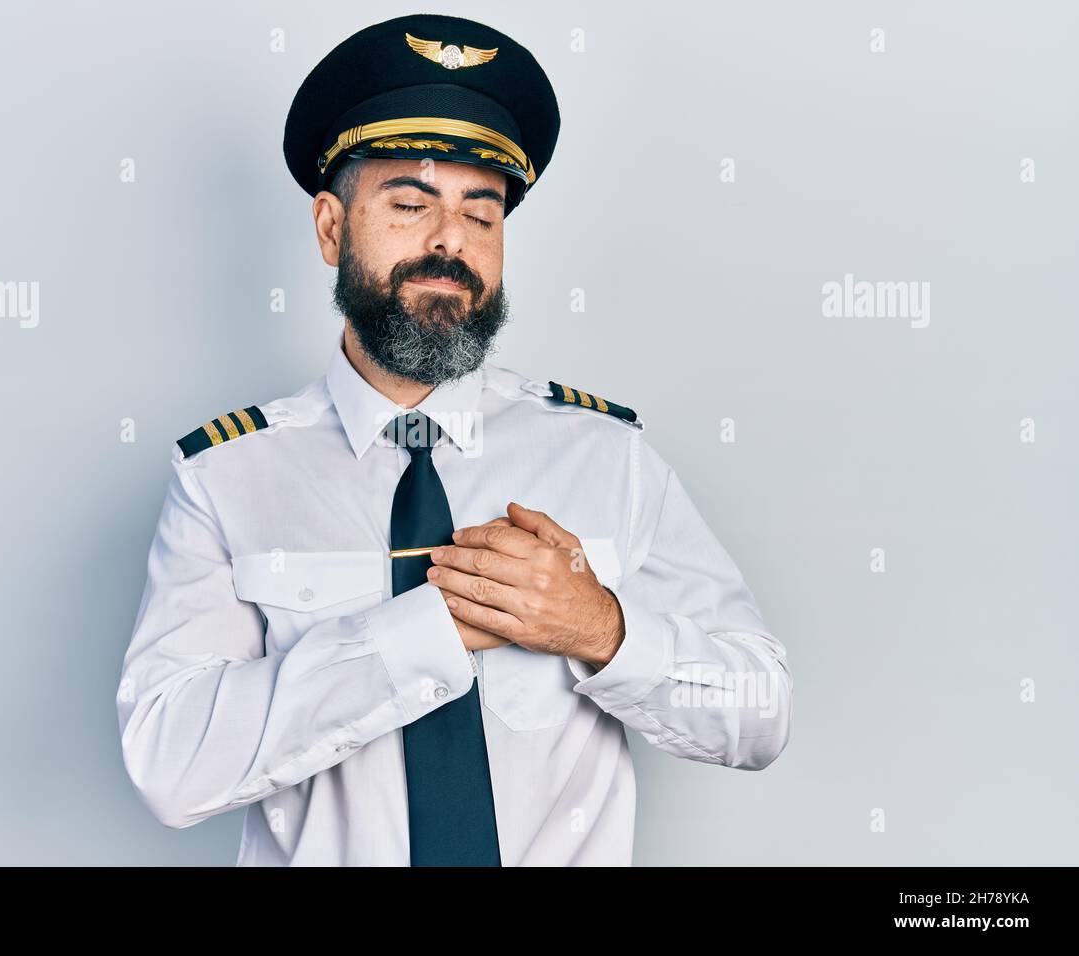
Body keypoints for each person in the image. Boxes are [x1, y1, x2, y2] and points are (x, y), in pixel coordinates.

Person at [116, 13, 792, 867]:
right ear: (331, 229)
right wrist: (416, 636)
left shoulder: (605, 457)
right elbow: (170, 766)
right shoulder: (226, 478)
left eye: (482, 213)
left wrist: (603, 630)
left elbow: (759, 712)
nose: (449, 242)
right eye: (409, 204)